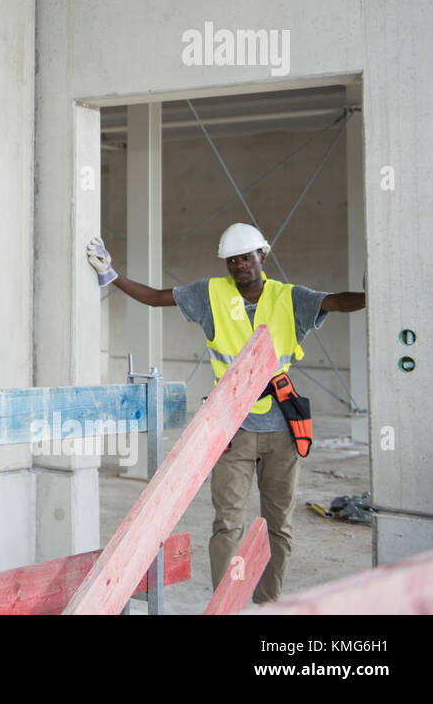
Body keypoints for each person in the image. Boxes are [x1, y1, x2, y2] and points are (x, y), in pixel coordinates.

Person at [86, 224, 365, 604]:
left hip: (282, 431)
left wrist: (375, 293)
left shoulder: (290, 298)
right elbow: (155, 297)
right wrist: (112, 276)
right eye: (232, 260)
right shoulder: (210, 294)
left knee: (278, 525)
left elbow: (337, 302)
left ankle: (268, 602)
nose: (239, 266)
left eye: (246, 258)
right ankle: (225, 605)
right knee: (227, 524)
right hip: (232, 429)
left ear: (262, 256)